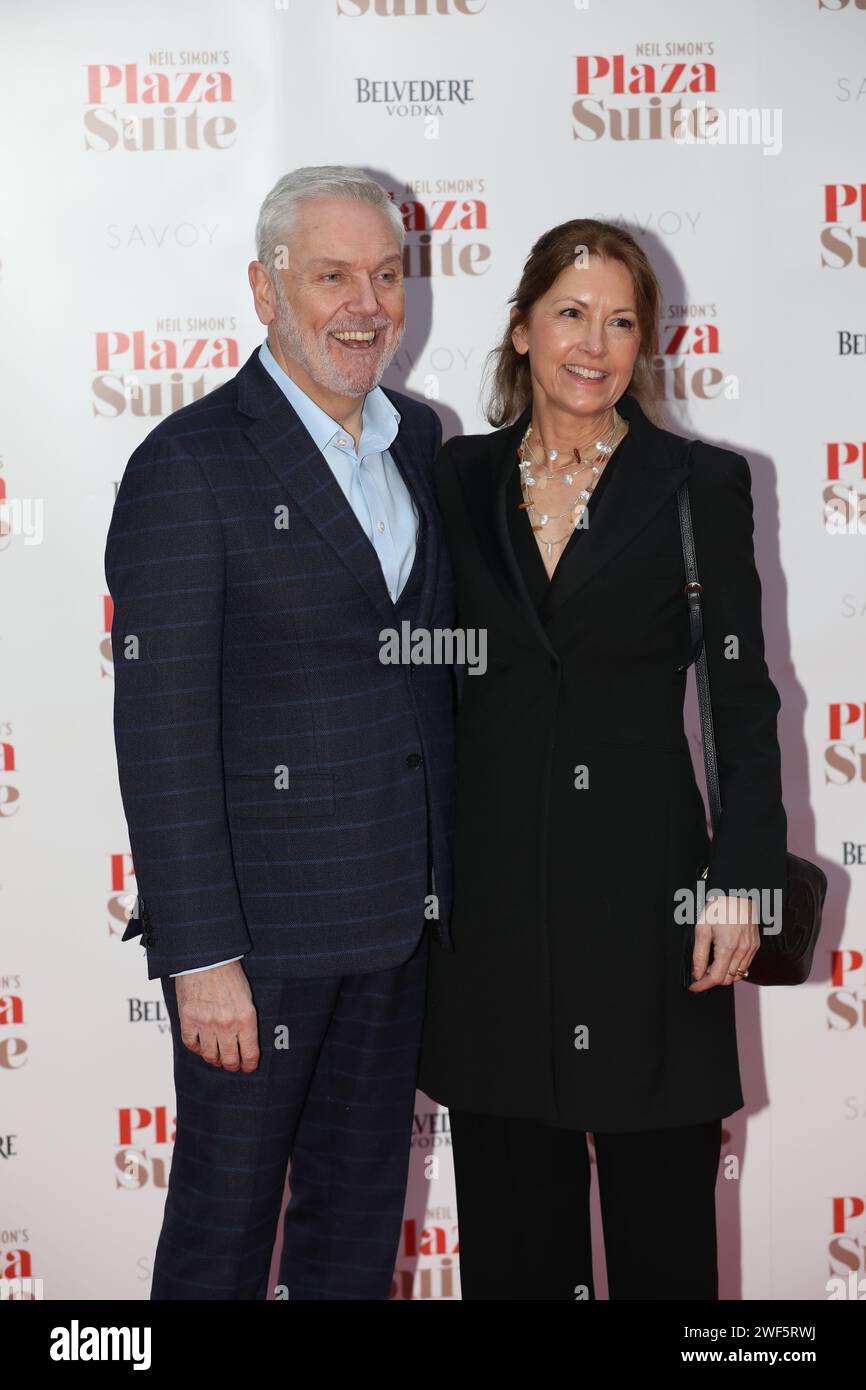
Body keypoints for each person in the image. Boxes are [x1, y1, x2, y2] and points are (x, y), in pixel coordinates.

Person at [417, 218, 788, 1301]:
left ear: (645, 343)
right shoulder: (454, 478)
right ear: (523, 328)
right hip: (492, 914)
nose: (595, 343)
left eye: (621, 321)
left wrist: (744, 872)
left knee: (663, 1233)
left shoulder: (693, 483)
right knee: (510, 1236)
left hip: (648, 906)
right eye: (570, 313)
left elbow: (737, 688)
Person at [105, 166, 456, 1300]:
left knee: (352, 1236)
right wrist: (200, 958)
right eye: (331, 275)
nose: (366, 304)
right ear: (265, 290)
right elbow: (156, 729)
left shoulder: (419, 445)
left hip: (396, 928)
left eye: (385, 275)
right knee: (222, 1232)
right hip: (254, 952)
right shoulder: (189, 464)